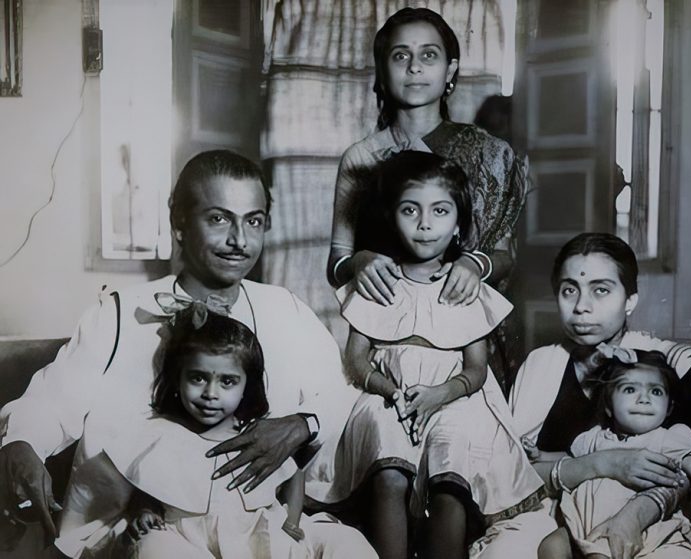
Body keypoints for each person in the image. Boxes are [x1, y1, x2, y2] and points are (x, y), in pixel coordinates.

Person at [0, 150, 375, 558]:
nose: (240, 240)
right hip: (149, 524)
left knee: (348, 546)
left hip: (254, 523)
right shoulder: (122, 313)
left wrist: (302, 424)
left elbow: (341, 391)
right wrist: (23, 442)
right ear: (179, 223)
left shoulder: (285, 309)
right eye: (219, 219)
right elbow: (55, 398)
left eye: (253, 221)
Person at [306, 151, 555, 559]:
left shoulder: (465, 285)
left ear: (458, 223)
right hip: (386, 395)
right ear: (392, 218)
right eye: (410, 210)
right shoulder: (377, 282)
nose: (425, 224)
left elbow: (476, 369)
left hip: (455, 396)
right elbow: (357, 359)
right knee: (387, 462)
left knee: (450, 467)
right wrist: (392, 392)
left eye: (440, 211)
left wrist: (439, 395)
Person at [509, 232, 691, 559]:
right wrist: (601, 463)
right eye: (569, 290)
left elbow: (685, 475)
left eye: (601, 290)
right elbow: (511, 474)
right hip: (549, 517)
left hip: (647, 516)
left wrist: (630, 519)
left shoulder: (670, 364)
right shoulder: (540, 364)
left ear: (630, 300)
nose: (582, 307)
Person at [56, 309, 311, 558]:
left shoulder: (256, 436)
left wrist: (292, 521)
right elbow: (148, 485)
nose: (210, 394)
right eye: (198, 378)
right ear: (178, 379)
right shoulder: (161, 435)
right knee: (152, 548)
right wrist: (146, 512)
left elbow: (294, 473)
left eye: (227, 381)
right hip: (185, 539)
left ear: (247, 386)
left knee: (294, 546)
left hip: (252, 539)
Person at [328, 7, 527, 315]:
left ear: (449, 70)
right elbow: (336, 264)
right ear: (382, 69)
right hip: (389, 318)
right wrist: (357, 263)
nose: (415, 67)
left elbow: (506, 256)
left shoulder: (490, 152)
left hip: (466, 316)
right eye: (400, 56)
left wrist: (474, 264)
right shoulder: (361, 157)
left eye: (429, 55)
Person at [556, 348, 691, 558]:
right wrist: (539, 456)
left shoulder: (665, 438)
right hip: (589, 527)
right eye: (630, 389)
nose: (644, 399)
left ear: (669, 408)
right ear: (608, 406)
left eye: (655, 391)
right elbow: (566, 464)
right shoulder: (594, 438)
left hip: (650, 530)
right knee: (552, 544)